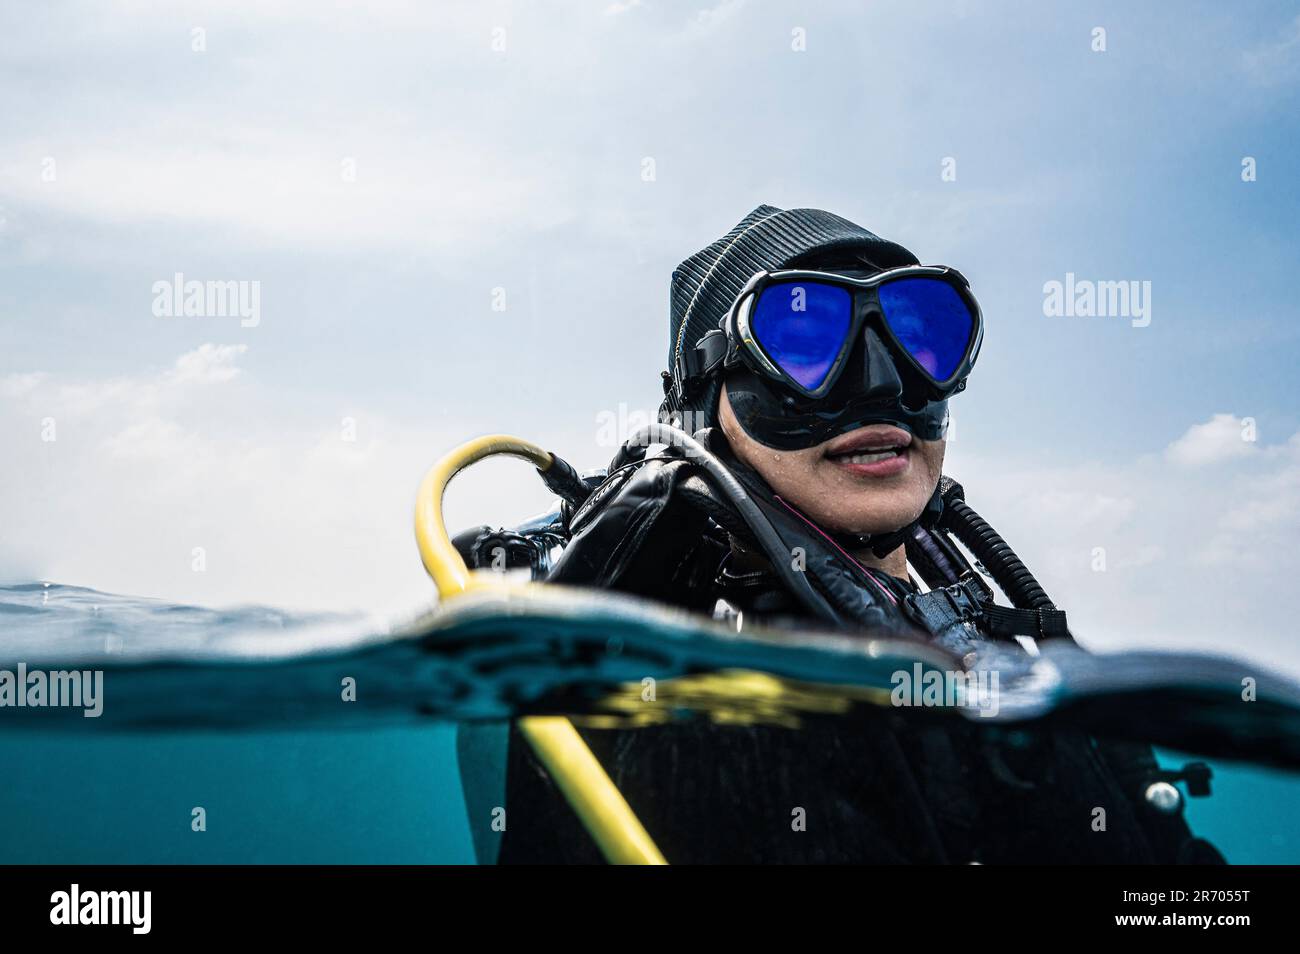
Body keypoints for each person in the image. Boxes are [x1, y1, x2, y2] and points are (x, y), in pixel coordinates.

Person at [459, 205, 1222, 864]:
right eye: (804, 339)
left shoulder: (966, 621)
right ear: (700, 407)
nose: (887, 382)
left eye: (919, 333)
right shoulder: (728, 712)